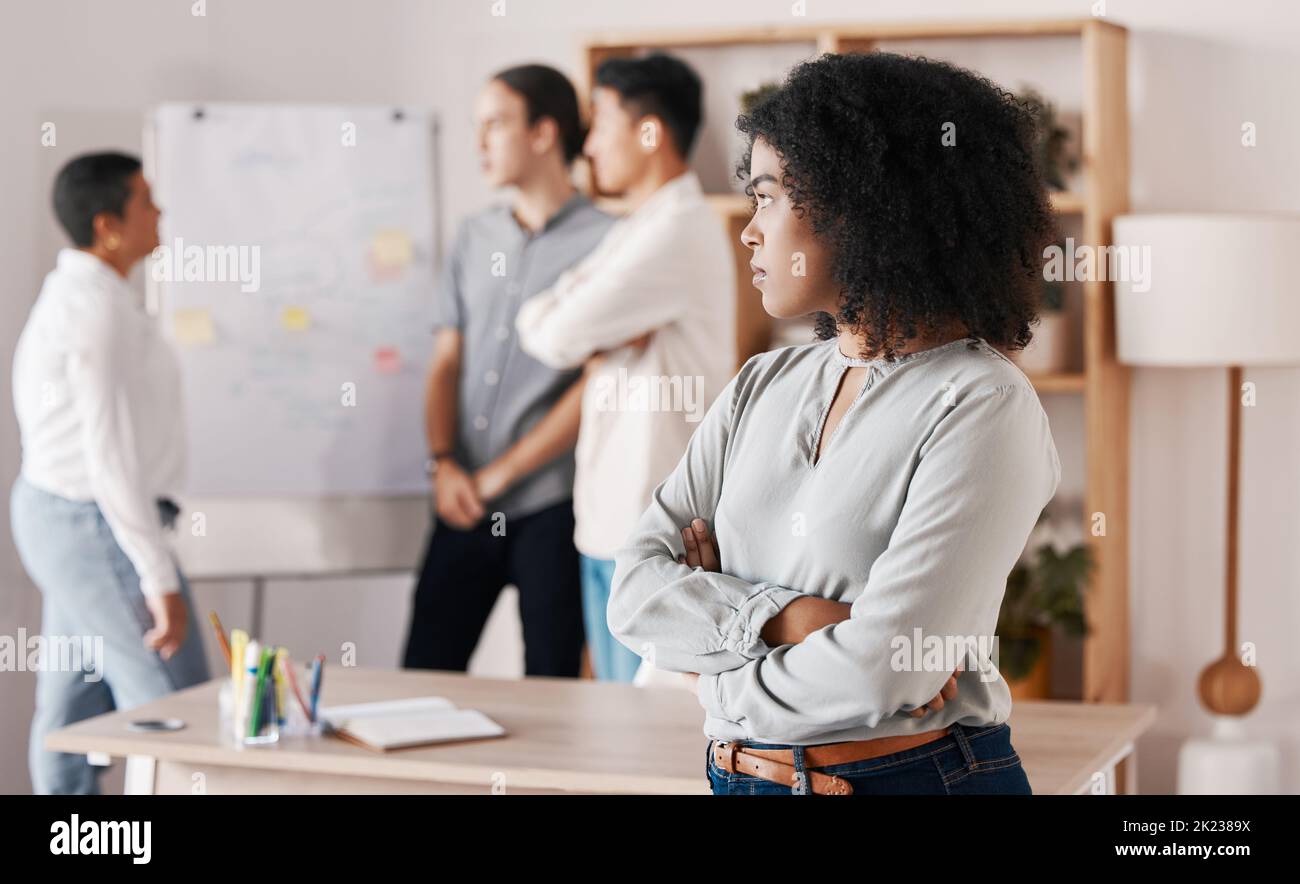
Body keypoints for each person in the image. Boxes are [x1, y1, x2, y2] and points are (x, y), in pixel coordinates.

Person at [608, 52, 1061, 795]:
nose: (750, 232)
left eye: (769, 196)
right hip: (737, 779)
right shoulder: (762, 382)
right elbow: (634, 592)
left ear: (864, 204)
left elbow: (887, 667)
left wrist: (701, 680)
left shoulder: (984, 404)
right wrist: (790, 619)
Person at [516, 53, 735, 683]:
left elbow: (557, 333)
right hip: (610, 521)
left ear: (649, 133)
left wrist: (589, 331)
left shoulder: (677, 230)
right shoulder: (638, 228)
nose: (588, 146)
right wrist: (595, 329)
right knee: (618, 722)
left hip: (649, 529)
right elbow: (540, 321)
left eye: (602, 124)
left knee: (643, 737)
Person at [401, 64, 615, 677]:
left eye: (495, 124)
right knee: (423, 673)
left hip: (550, 506)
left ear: (545, 132)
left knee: (554, 689)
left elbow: (595, 387)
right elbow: (446, 363)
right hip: (458, 495)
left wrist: (497, 479)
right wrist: (444, 463)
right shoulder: (473, 236)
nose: (480, 143)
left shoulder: (612, 241)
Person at [11, 152, 210, 794]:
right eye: (147, 202)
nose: (161, 214)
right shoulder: (93, 311)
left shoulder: (94, 296)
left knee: (71, 709)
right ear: (108, 226)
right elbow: (111, 457)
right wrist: (160, 578)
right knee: (178, 711)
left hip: (68, 518)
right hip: (92, 520)